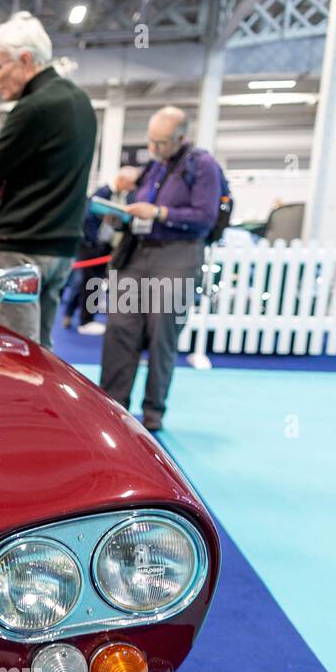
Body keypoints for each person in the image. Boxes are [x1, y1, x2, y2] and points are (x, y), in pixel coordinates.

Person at [0, 11, 97, 347]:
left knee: (14, 354)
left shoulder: (33, 108)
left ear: (26, 60)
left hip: (22, 250)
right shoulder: (81, 103)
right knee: (43, 354)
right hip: (61, 250)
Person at [99, 106, 222, 432]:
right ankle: (112, 406)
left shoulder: (203, 165)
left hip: (178, 256)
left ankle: (153, 413)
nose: (153, 149)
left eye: (161, 143)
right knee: (119, 330)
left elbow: (205, 217)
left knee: (161, 337)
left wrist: (160, 212)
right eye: (151, 141)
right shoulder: (154, 167)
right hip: (138, 255)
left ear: (182, 138)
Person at [69, 165, 139, 335]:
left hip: (107, 247)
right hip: (92, 247)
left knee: (91, 283)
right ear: (121, 180)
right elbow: (87, 218)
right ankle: (84, 320)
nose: (132, 188)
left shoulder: (126, 197)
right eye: (130, 183)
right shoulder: (102, 194)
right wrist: (93, 241)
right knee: (86, 283)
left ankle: (75, 315)